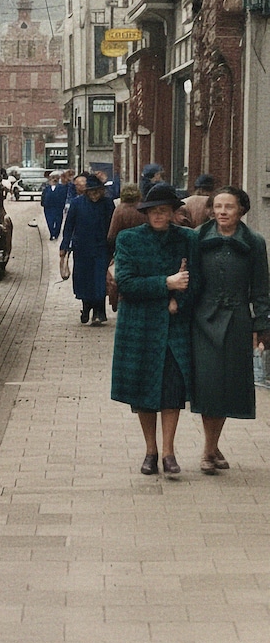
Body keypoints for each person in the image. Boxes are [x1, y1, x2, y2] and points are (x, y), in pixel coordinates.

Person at [111, 182, 198, 476]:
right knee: (143, 392)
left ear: (173, 212)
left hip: (173, 327)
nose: (159, 216)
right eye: (154, 211)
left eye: (164, 210)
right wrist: (166, 285)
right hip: (139, 325)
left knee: (172, 391)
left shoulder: (187, 239)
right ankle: (151, 451)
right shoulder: (129, 239)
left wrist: (178, 301)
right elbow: (126, 283)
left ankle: (169, 453)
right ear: (146, 214)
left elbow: (196, 282)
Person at [191, 186, 270, 474]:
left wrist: (262, 327)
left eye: (229, 207)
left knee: (227, 386)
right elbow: (189, 278)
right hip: (203, 320)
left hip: (237, 321)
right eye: (218, 206)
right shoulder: (197, 237)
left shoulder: (254, 242)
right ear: (211, 210)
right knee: (209, 384)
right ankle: (208, 451)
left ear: (241, 211)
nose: (222, 212)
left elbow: (261, 287)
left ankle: (212, 447)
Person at [60, 173, 114, 325]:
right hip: (82, 249)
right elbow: (69, 226)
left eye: (97, 192)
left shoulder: (107, 204)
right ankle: (86, 308)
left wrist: (114, 248)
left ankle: (98, 312)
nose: (95, 195)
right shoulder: (77, 204)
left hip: (102, 248)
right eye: (92, 192)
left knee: (99, 281)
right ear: (87, 192)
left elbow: (113, 226)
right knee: (84, 281)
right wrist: (64, 246)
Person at [106, 183, 146, 252]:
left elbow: (111, 235)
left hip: (124, 248)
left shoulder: (120, 210)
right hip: (142, 246)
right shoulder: (143, 208)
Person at [40, 171, 68, 241]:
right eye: (52, 178)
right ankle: (52, 233)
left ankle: (56, 234)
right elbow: (43, 196)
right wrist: (43, 203)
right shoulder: (46, 188)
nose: (54, 179)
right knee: (50, 221)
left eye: (56, 178)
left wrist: (63, 205)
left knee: (58, 221)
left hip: (58, 207)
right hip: (48, 208)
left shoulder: (62, 188)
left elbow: (64, 197)